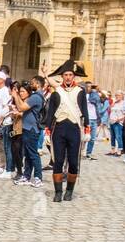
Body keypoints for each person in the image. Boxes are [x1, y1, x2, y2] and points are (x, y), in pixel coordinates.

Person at [45, 59, 89, 201]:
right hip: (59, 129)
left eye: (70, 74)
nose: (68, 77)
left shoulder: (80, 91)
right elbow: (50, 113)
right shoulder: (56, 92)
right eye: (66, 75)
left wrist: (87, 129)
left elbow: (85, 111)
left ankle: (69, 191)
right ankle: (58, 192)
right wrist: (47, 130)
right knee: (57, 161)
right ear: (62, 76)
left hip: (74, 129)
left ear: (74, 76)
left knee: (73, 162)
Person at [17, 75, 45, 186]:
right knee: (28, 154)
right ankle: (27, 176)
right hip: (28, 127)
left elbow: (21, 107)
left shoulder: (36, 97)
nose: (30, 84)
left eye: (32, 83)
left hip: (32, 129)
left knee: (33, 154)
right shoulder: (37, 96)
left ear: (37, 84)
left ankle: (38, 177)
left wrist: (15, 95)